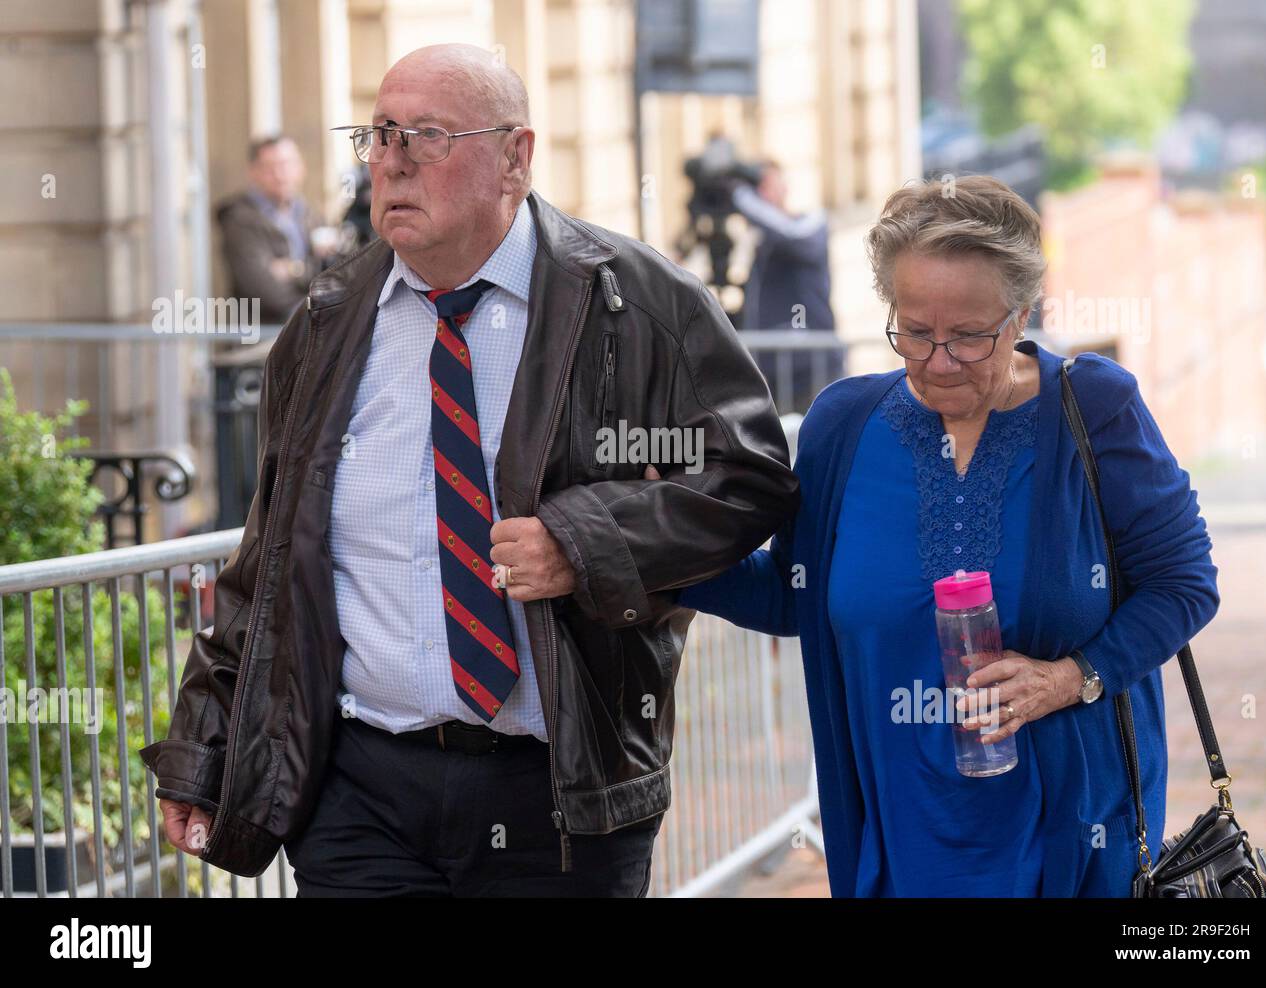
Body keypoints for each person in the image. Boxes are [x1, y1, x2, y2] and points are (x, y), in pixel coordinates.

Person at [140, 43, 797, 897]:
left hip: (560, 794)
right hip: (358, 793)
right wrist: (205, 748)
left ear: (515, 158)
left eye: (426, 137)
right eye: (378, 135)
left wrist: (583, 541)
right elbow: (269, 564)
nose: (391, 161)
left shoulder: (636, 304)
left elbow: (747, 477)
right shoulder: (327, 324)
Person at [680, 174, 1220, 897]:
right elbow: (792, 594)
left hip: (1071, 835)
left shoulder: (1093, 408)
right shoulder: (843, 427)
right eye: (915, 331)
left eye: (969, 336)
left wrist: (1070, 677)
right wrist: (655, 540)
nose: (938, 361)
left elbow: (1184, 583)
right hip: (903, 837)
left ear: (1022, 310)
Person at [733, 159, 843, 411]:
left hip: (813, 371)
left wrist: (740, 196)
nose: (757, 196)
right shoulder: (763, 243)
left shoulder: (809, 225)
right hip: (771, 377)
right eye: (754, 188)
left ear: (784, 188)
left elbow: (792, 234)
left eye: (764, 186)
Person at [216, 135, 339, 322]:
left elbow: (336, 274)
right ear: (253, 172)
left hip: (308, 331)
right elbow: (266, 292)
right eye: (271, 167)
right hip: (260, 337)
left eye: (287, 165)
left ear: (301, 168)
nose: (281, 175)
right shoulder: (239, 220)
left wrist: (292, 269)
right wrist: (318, 296)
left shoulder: (310, 215)